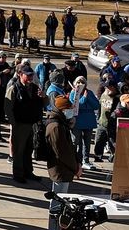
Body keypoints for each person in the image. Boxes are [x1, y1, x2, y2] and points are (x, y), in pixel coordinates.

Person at [46, 95, 82, 230]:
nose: (70, 111)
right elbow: (62, 152)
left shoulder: (61, 123)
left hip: (63, 169)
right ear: (62, 109)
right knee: (57, 203)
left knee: (61, 203)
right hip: (60, 169)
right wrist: (75, 167)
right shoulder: (55, 126)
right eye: (68, 108)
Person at [6, 66, 46, 183]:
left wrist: (44, 97)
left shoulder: (35, 88)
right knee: (19, 150)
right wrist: (14, 124)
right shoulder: (14, 88)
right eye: (27, 75)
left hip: (33, 124)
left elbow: (44, 104)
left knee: (29, 149)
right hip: (20, 125)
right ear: (20, 74)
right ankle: (18, 174)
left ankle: (28, 172)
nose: (30, 77)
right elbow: (8, 108)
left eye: (31, 75)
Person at [68, 76, 100, 170]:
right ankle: (75, 160)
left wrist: (88, 97)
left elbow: (96, 105)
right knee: (76, 142)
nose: (80, 84)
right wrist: (84, 98)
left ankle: (85, 161)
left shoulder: (89, 92)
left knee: (87, 142)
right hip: (77, 121)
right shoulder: (73, 93)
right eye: (78, 82)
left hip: (88, 121)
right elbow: (76, 106)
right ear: (75, 83)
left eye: (82, 82)